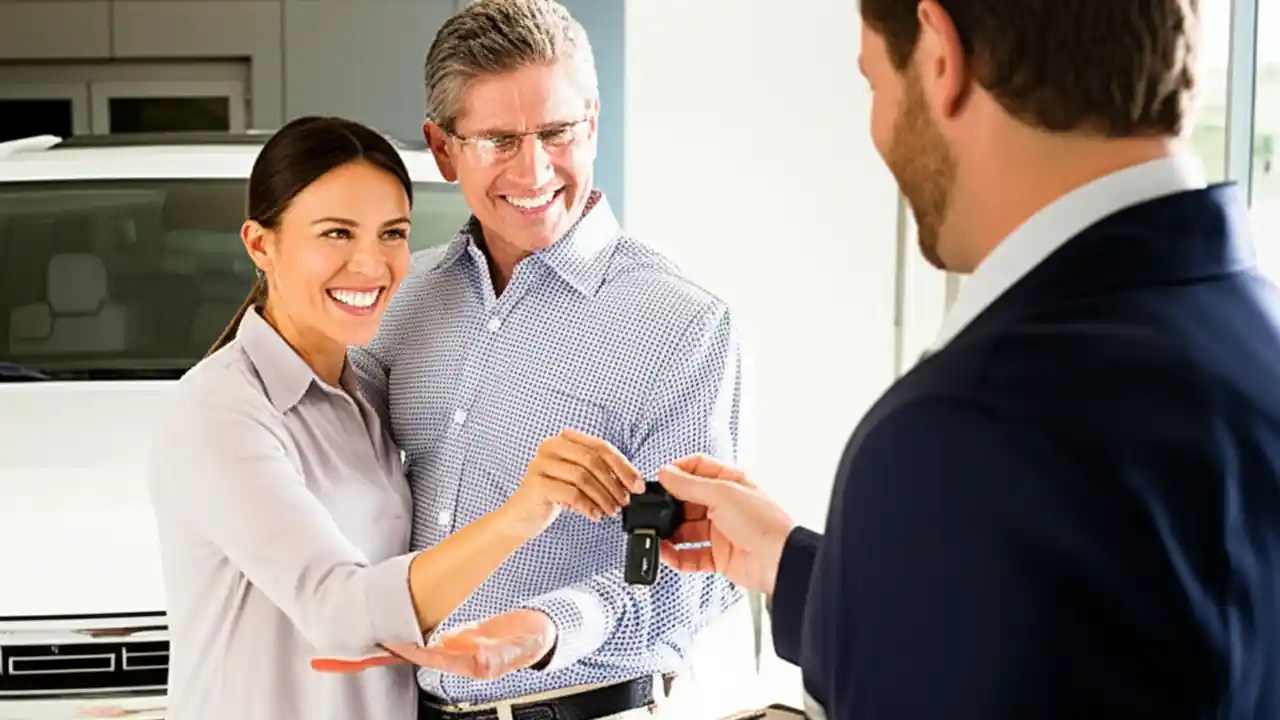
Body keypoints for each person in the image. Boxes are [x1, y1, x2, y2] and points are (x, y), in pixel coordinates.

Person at [657, 1, 1280, 718]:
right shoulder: (1247, 340)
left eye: (873, 84)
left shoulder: (965, 428)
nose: (878, 128)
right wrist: (794, 567)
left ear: (941, 53)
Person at [146, 116, 632, 720]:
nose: (372, 266)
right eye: (336, 234)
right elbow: (341, 613)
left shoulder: (360, 400)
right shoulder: (220, 410)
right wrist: (524, 512)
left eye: (392, 233)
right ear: (259, 244)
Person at [348, 1, 746, 718]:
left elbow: (698, 577)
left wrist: (546, 627)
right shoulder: (398, 307)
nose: (535, 170)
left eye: (558, 132)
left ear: (591, 121)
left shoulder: (680, 324)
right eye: (499, 139)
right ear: (443, 150)